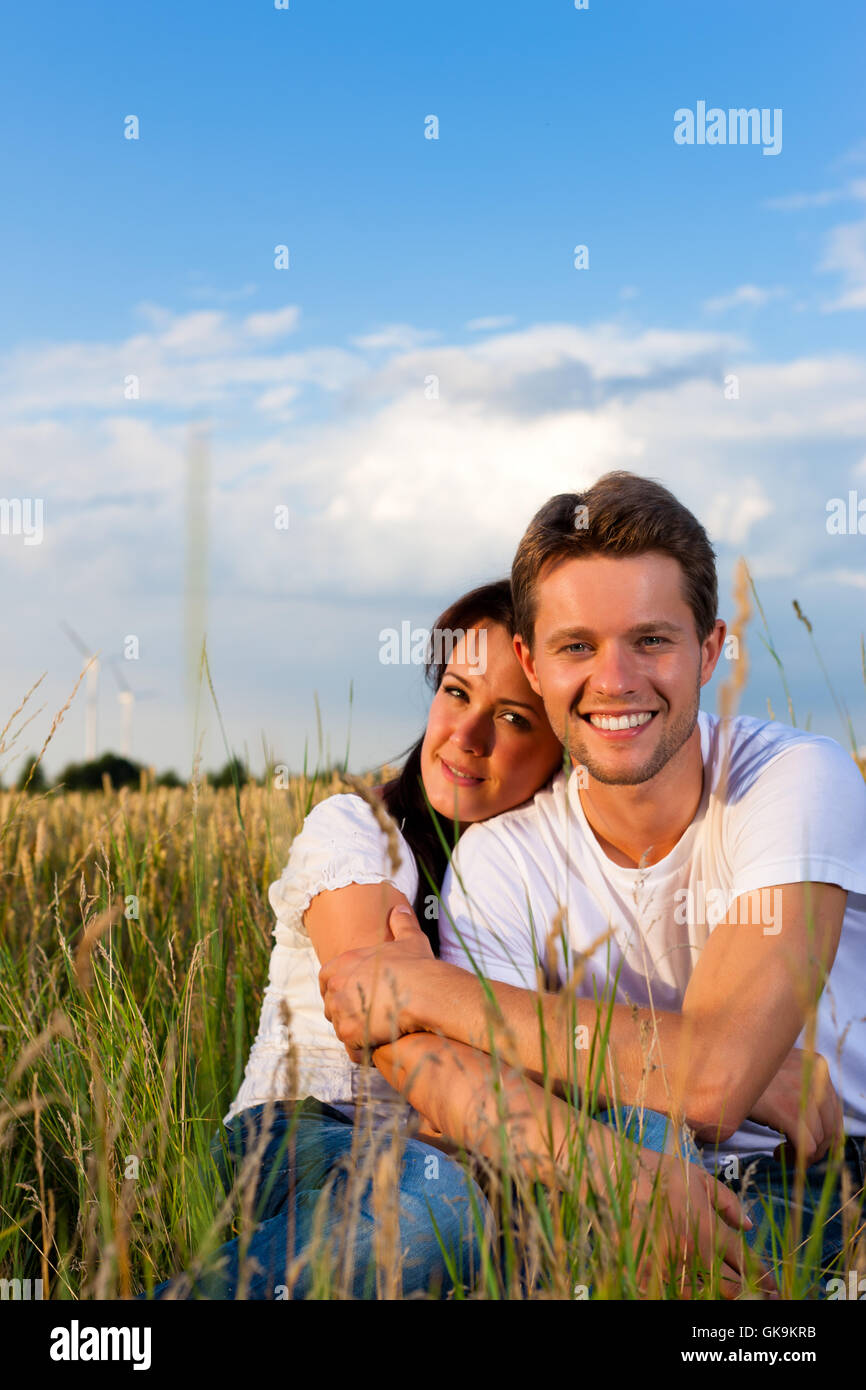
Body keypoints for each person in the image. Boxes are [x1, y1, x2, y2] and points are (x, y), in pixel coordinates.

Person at [320, 472, 866, 1295]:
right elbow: (487, 1108)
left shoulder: (792, 778)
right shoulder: (503, 858)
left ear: (711, 651)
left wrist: (431, 991)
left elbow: (715, 1085)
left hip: (823, 1178)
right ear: (534, 666)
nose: (614, 680)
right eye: (578, 646)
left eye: (651, 640)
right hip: (612, 1177)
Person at [142, 578, 758, 1301]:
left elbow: (571, 1054)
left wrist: (738, 1080)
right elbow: (392, 1037)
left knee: (651, 1138)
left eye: (514, 719)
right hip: (305, 1135)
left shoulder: (549, 875)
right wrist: (589, 1156)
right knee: (438, 1199)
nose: (467, 737)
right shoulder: (358, 832)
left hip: (487, 1148)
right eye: (457, 693)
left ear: (563, 748)